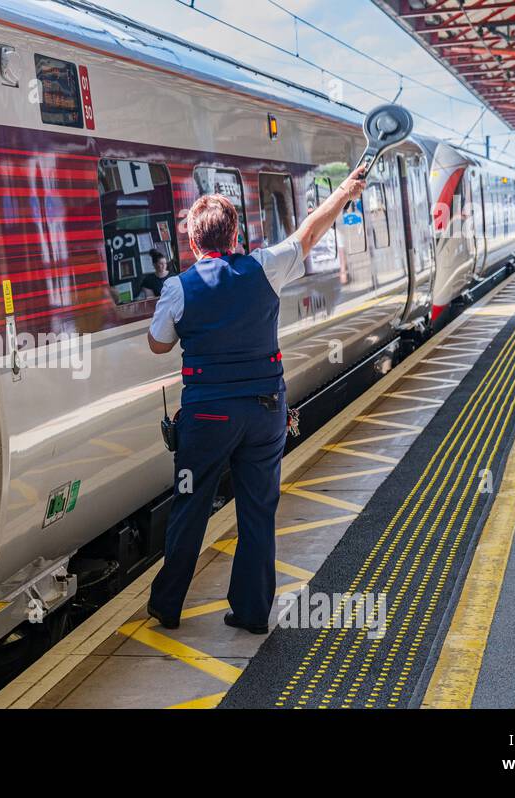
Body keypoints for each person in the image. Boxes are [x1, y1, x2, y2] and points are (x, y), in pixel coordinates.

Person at [144, 166, 366, 633]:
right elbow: (309, 232)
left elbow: (159, 344)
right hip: (266, 412)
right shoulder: (265, 266)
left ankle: (168, 605)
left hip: (205, 420)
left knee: (190, 505)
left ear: (192, 241)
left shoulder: (177, 288)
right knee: (258, 512)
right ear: (235, 234)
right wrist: (345, 190)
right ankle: (251, 613)